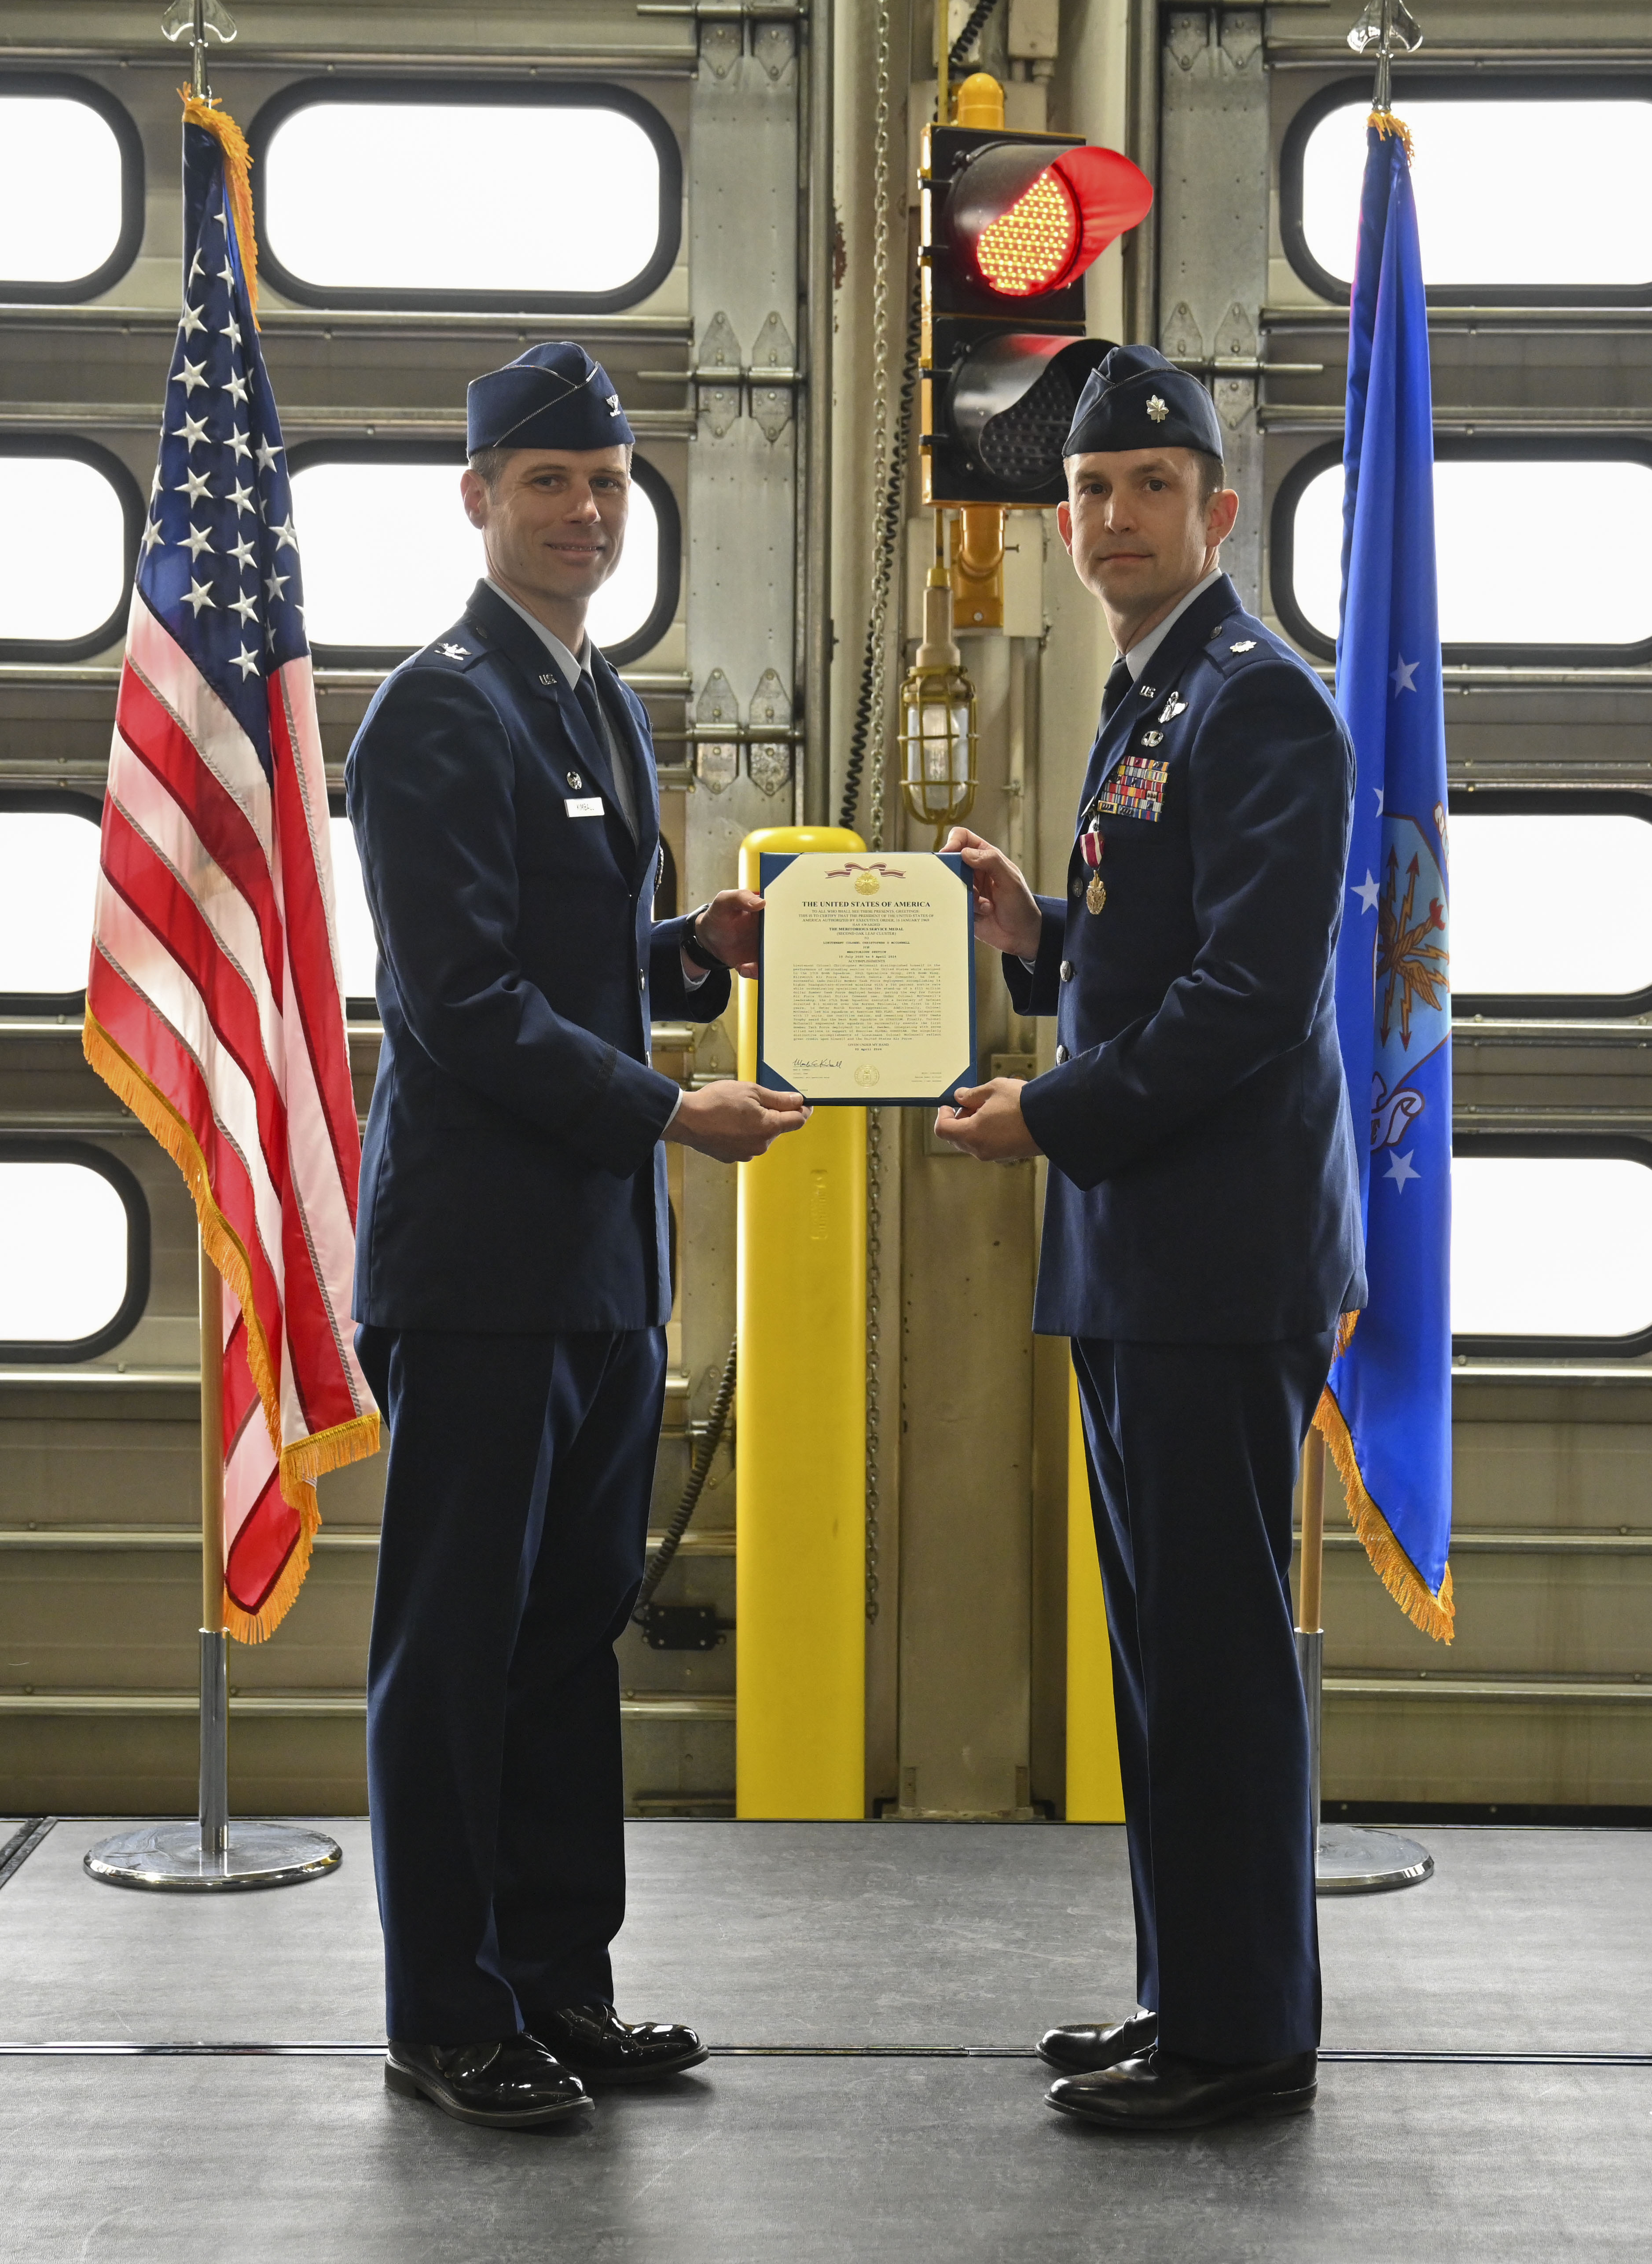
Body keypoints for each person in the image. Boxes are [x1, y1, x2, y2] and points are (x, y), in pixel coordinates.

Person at [346, 341, 808, 2130]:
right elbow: (459, 1003)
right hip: (478, 1267)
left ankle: (558, 1982)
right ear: (478, 501)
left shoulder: (596, 700)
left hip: (603, 1264)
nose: (585, 511)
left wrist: (696, 955)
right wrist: (669, 1107)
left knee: (562, 1636)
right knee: (455, 1646)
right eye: (548, 481)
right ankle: (445, 2012)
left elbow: (587, 965)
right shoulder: (439, 710)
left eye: (608, 480)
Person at [934, 343, 1364, 2132]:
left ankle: (1246, 2037)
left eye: (1151, 487)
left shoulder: (1262, 701)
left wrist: (1057, 1113)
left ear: (1219, 508)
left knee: (1214, 1656)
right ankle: (1186, 1993)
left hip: (1211, 1248)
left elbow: (1253, 993)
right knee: (1164, 1654)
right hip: (1146, 1246)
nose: (1116, 515)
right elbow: (1138, 949)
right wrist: (1032, 933)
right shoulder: (1155, 695)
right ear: (1061, 522)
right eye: (1092, 491)